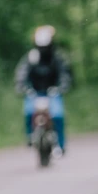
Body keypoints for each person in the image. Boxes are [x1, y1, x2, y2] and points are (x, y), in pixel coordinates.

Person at [14, 25, 71, 154]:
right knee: (28, 113)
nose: (44, 49)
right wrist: (22, 86)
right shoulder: (30, 58)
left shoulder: (57, 58)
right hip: (34, 93)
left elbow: (64, 74)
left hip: (53, 92)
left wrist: (62, 87)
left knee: (57, 116)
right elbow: (21, 73)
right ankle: (30, 137)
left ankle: (60, 145)